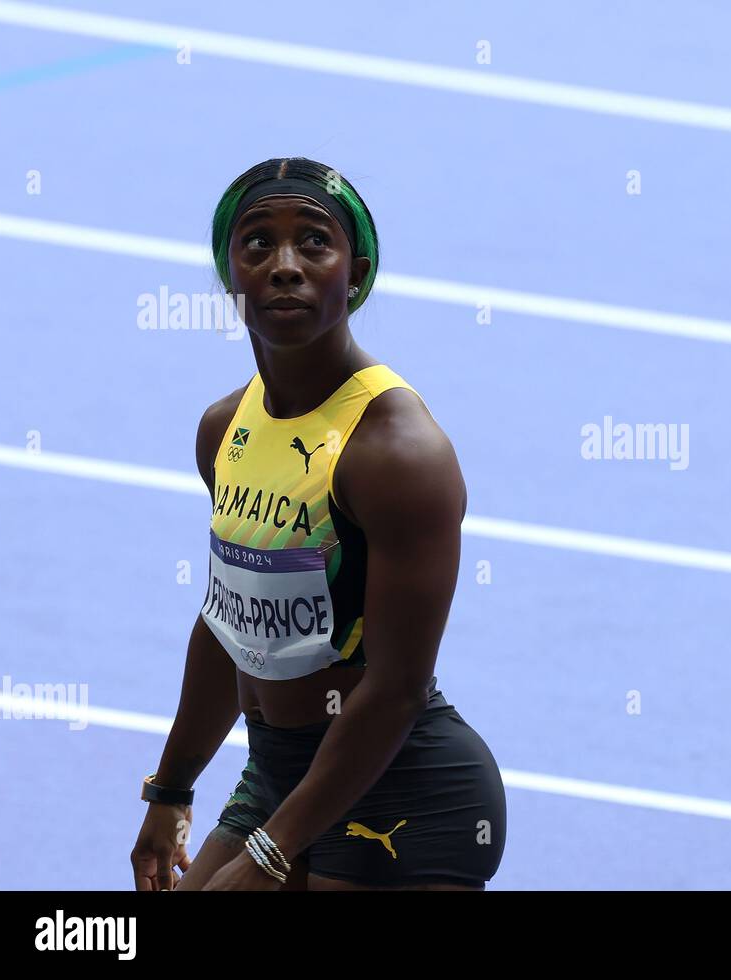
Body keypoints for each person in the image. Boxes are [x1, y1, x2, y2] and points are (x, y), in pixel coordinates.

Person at [129, 157, 506, 891]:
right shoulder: (223, 429)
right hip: (278, 778)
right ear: (228, 270)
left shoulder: (397, 453)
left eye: (313, 242)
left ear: (356, 274)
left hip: (403, 797)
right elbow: (226, 624)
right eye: (258, 244)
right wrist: (170, 790)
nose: (285, 266)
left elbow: (398, 688)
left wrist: (269, 858)